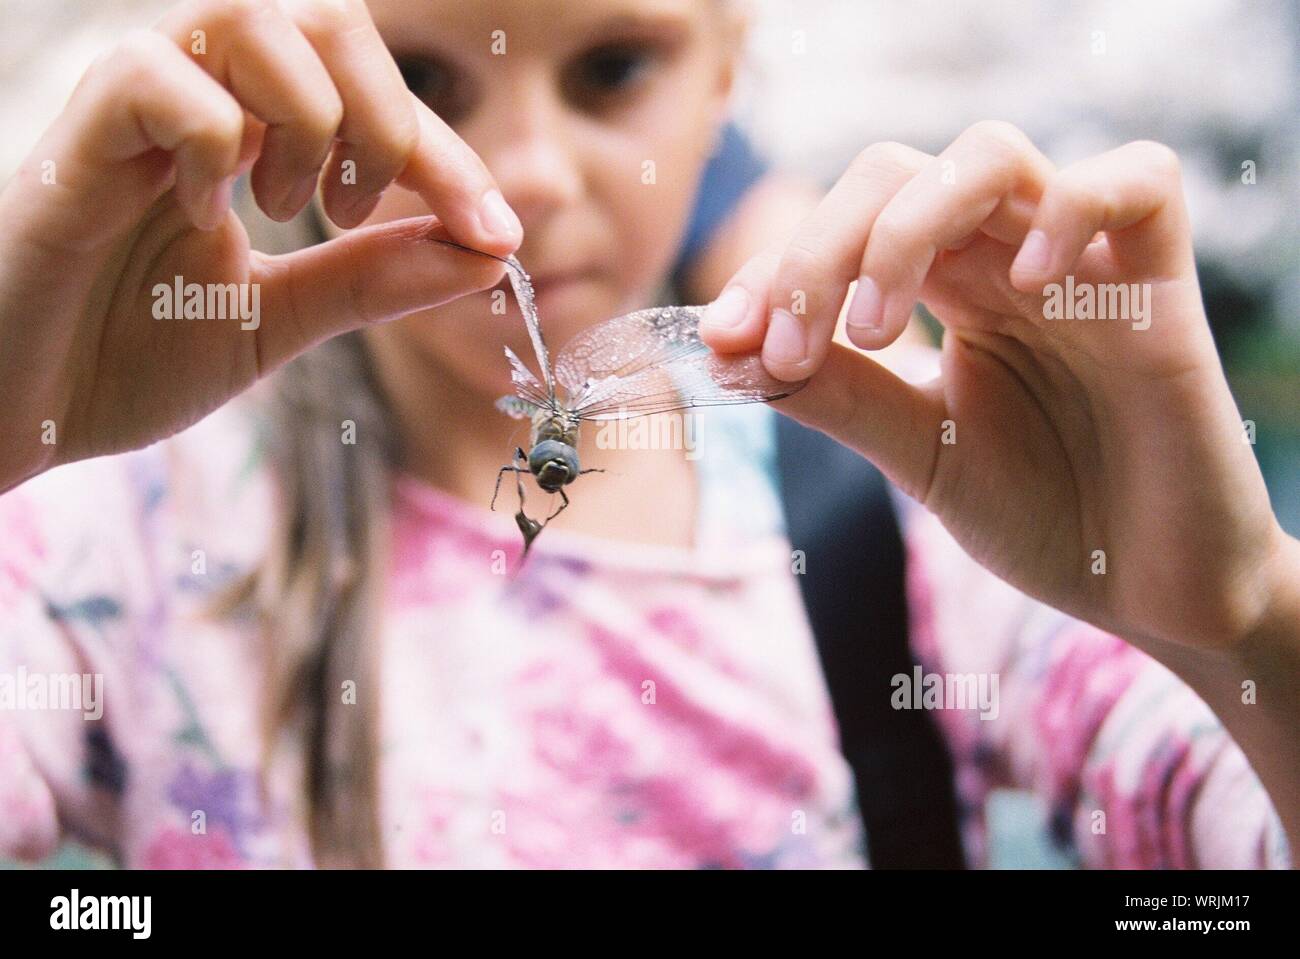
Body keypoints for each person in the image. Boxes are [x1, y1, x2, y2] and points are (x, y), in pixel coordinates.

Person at [0, 0, 1294, 868]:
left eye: (614, 68)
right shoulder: (119, 517)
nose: (532, 173)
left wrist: (1241, 622)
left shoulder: (914, 495)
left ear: (725, 71)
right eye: (419, 82)